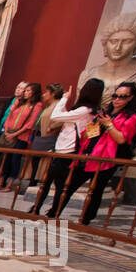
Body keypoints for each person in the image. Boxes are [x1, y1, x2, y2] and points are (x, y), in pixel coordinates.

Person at [51, 81, 136, 224]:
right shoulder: (105, 112)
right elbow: (89, 135)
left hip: (107, 160)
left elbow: (121, 139)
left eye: (122, 97)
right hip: (89, 155)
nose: (117, 99)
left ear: (130, 98)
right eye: (115, 96)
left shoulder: (131, 117)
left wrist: (109, 125)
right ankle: (53, 214)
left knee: (95, 191)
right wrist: (94, 126)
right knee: (68, 186)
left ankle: (85, 220)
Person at [32, 78, 100, 217]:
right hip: (63, 149)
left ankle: (52, 212)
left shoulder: (84, 111)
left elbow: (55, 116)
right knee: (52, 183)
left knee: (58, 185)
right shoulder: (90, 112)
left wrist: (64, 99)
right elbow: (68, 119)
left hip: (67, 151)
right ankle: (41, 209)